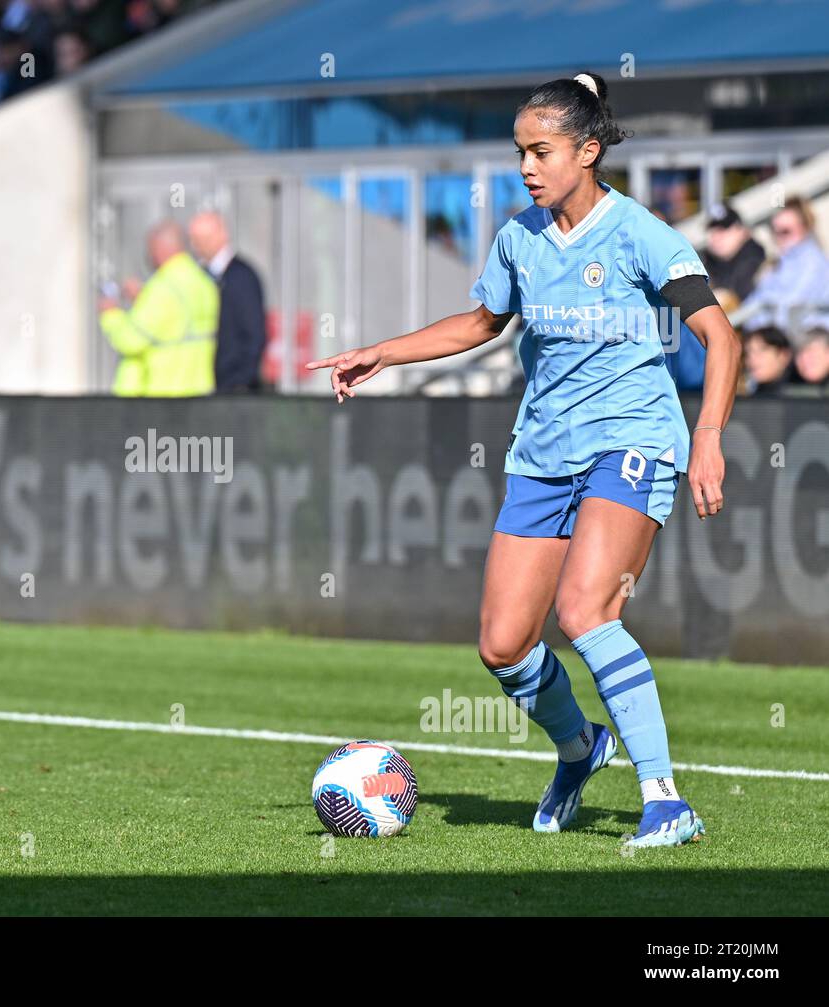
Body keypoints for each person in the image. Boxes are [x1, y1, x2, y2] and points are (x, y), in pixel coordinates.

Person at [308, 73, 741, 850]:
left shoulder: (640, 233)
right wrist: (384, 351)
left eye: (541, 151)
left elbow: (722, 336)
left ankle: (665, 799)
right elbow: (480, 321)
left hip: (630, 439)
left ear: (588, 148)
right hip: (542, 455)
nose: (527, 167)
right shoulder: (520, 237)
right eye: (520, 152)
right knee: (503, 644)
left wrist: (706, 435)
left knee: (585, 612)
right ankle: (579, 749)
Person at [99, 219, 218, 397]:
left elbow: (130, 340)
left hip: (160, 396)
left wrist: (111, 314)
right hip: (199, 392)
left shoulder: (162, 288)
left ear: (159, 248)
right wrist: (143, 298)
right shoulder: (204, 283)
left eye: (150, 249)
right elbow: (176, 323)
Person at [189, 210, 267, 393]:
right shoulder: (202, 276)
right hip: (212, 384)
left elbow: (254, 334)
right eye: (194, 239)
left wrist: (240, 382)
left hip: (233, 388)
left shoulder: (241, 277)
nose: (196, 246)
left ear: (221, 235)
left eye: (203, 238)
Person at [740, 196, 829, 329]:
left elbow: (789, 310)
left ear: (804, 227)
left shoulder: (813, 263)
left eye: (786, 231)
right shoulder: (778, 264)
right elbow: (751, 306)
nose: (779, 237)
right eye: (775, 231)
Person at [700, 202, 764, 307]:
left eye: (723, 230)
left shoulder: (757, 260)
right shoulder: (707, 265)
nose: (716, 237)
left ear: (742, 231)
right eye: (712, 231)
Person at [742, 326, 792, 396]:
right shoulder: (755, 394)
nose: (751, 359)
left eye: (761, 350)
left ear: (783, 355)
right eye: (748, 353)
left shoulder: (801, 394)